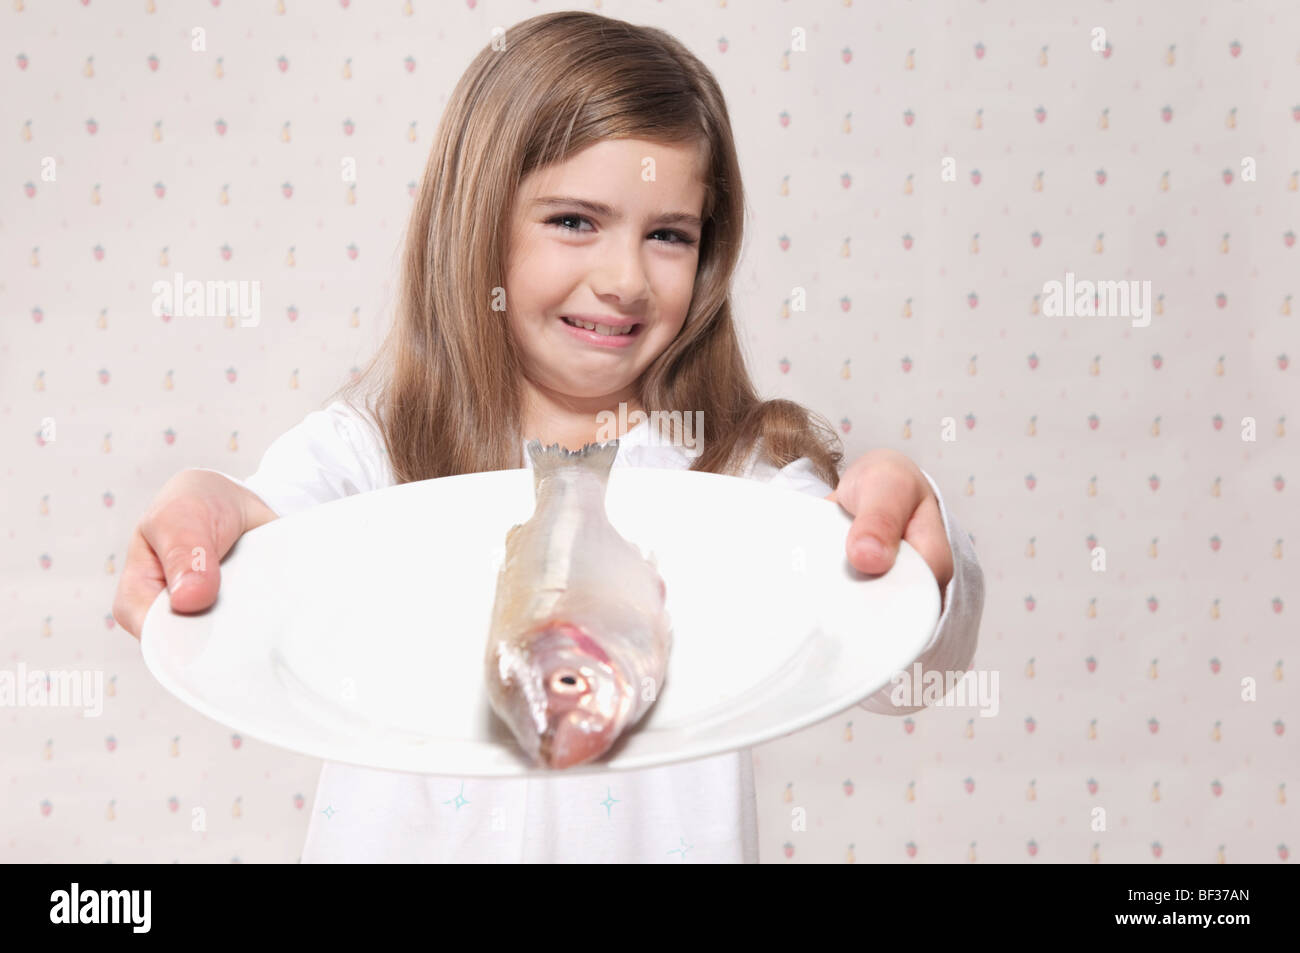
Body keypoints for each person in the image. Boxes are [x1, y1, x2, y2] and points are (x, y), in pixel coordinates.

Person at [113, 10, 984, 863]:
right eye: (574, 221)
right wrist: (203, 506)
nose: (625, 280)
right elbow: (261, 535)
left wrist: (914, 543)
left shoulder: (736, 472)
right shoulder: (371, 453)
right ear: (478, 225)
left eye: (670, 236)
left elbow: (911, 668)